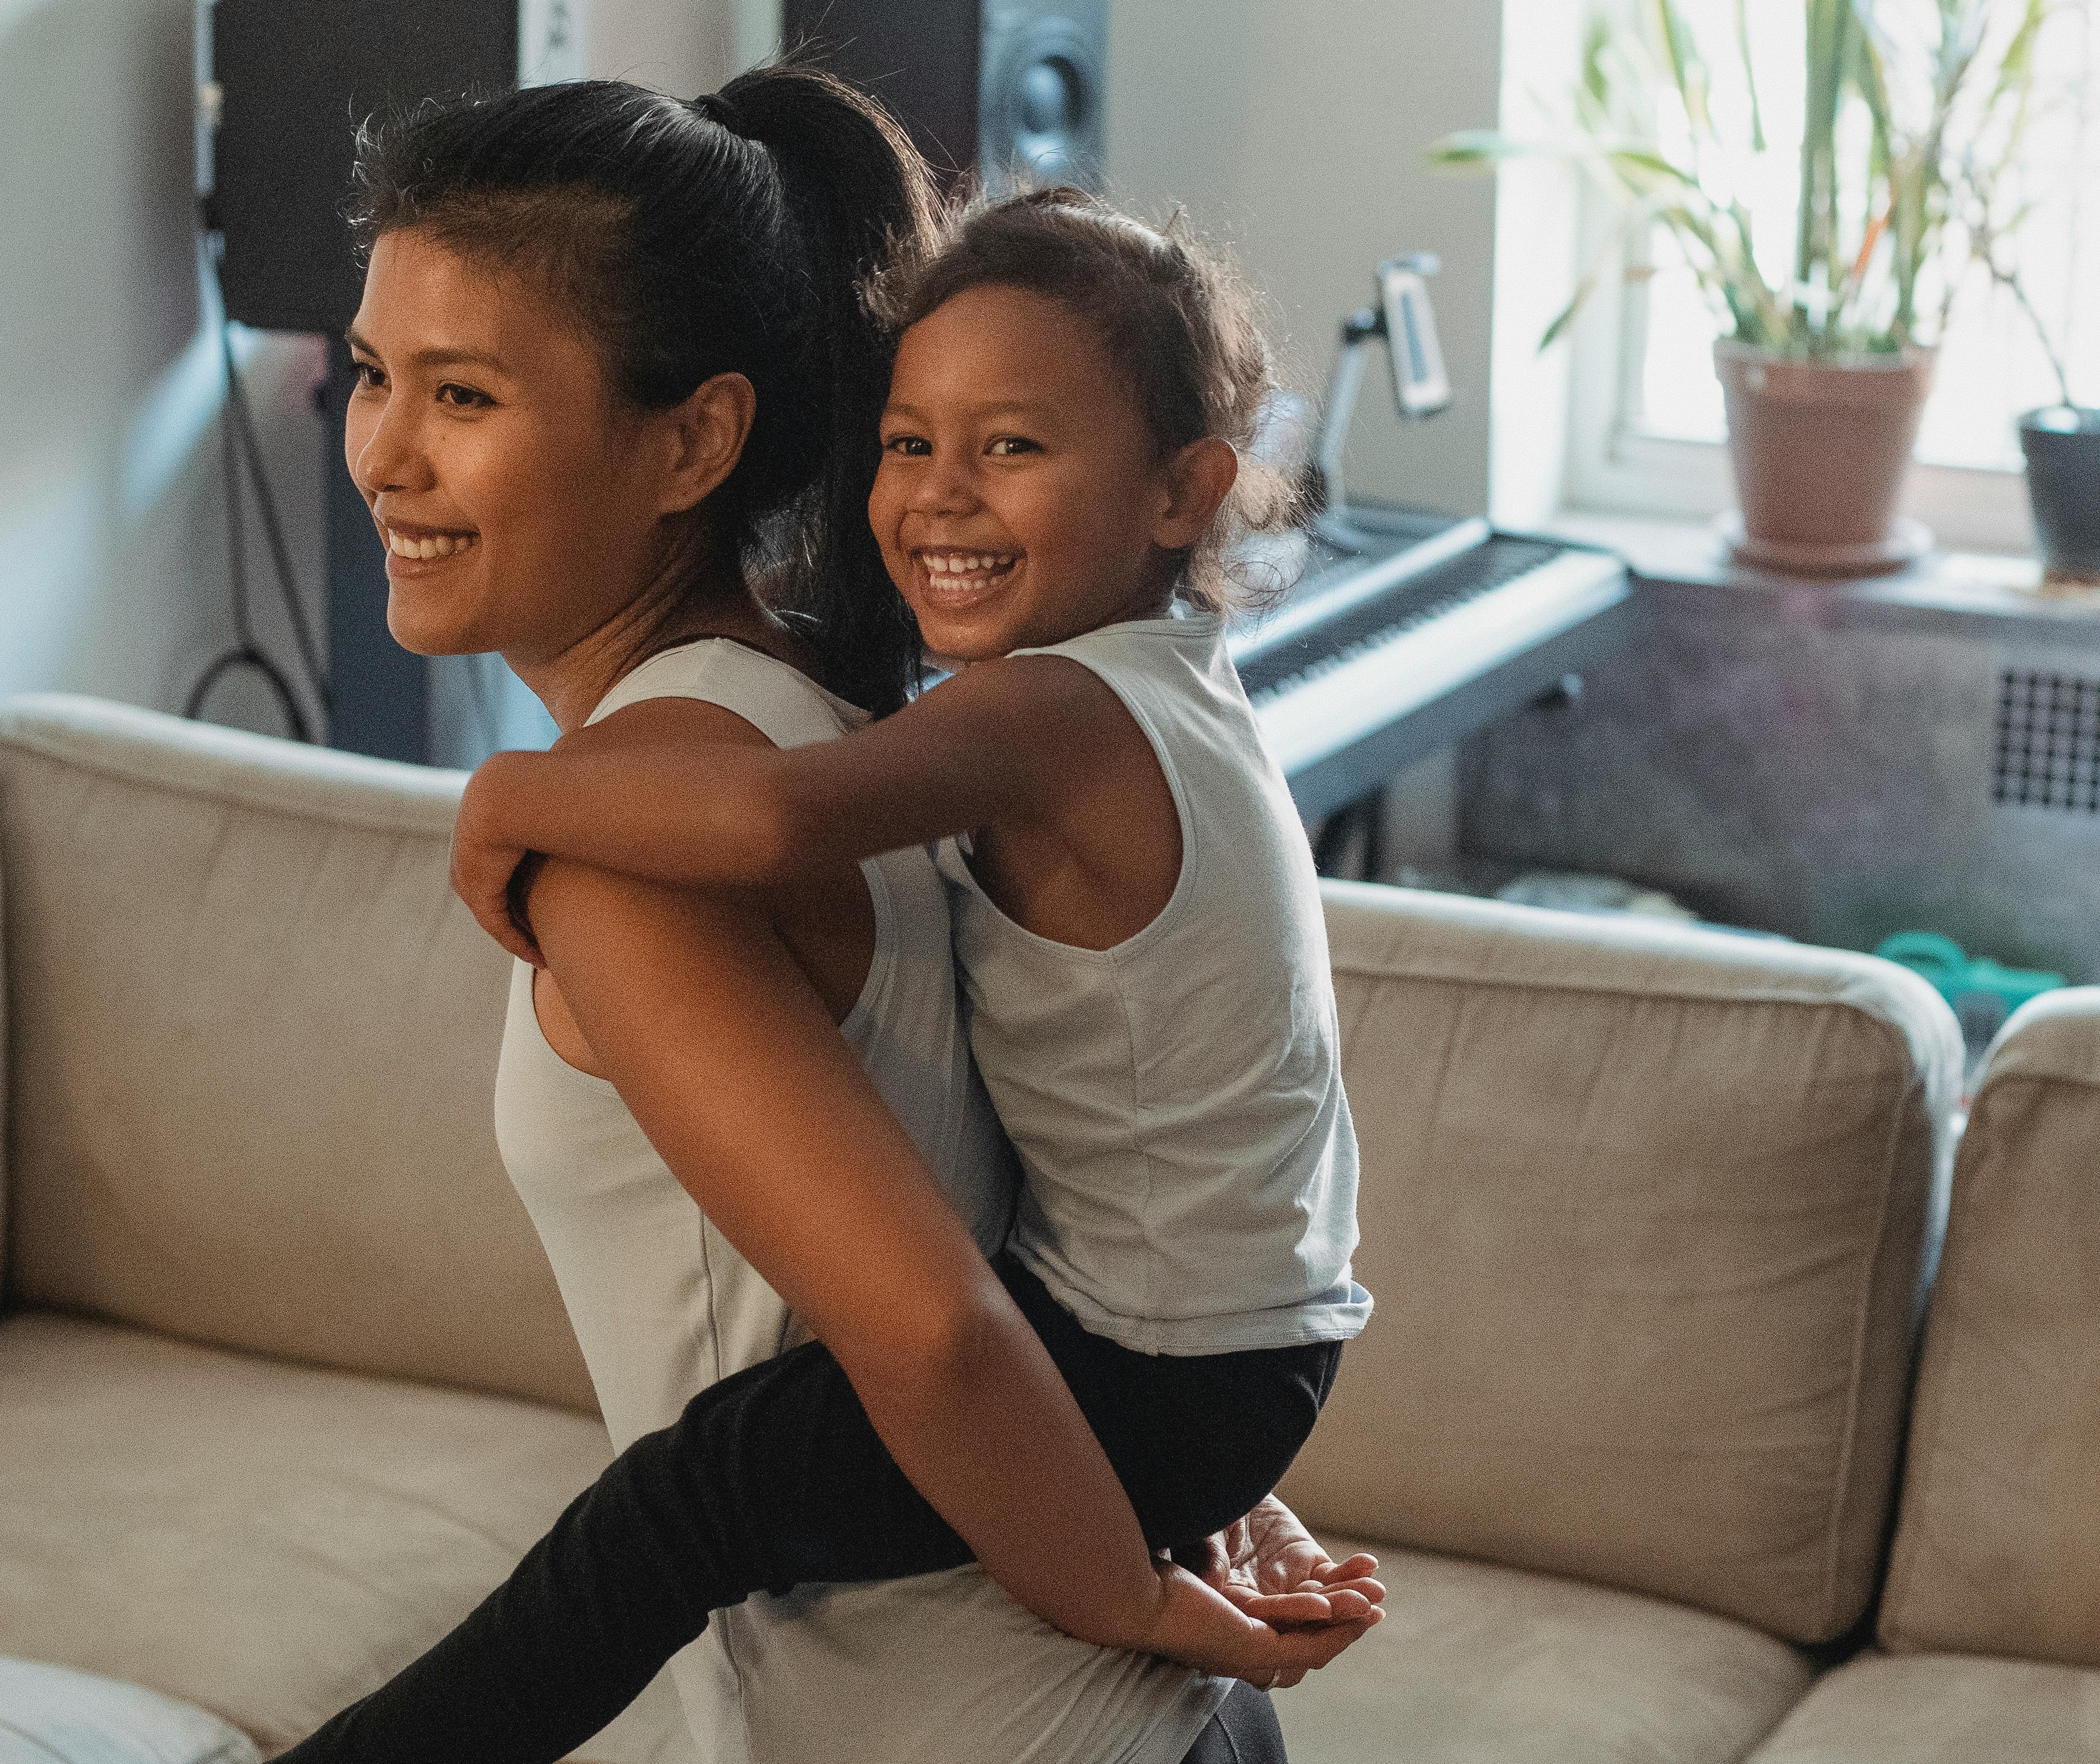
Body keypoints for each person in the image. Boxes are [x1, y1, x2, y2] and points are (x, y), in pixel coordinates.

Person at [279, 66, 1376, 1764]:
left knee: (675, 1508)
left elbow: (937, 1317)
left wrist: (501, 801)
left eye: (466, 394)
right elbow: (1071, 1172)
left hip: (978, 1733)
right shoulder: (856, 713)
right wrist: (1188, 1474)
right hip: (1129, 1723)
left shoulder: (651, 836)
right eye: (370, 376)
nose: (382, 454)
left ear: (694, 438)